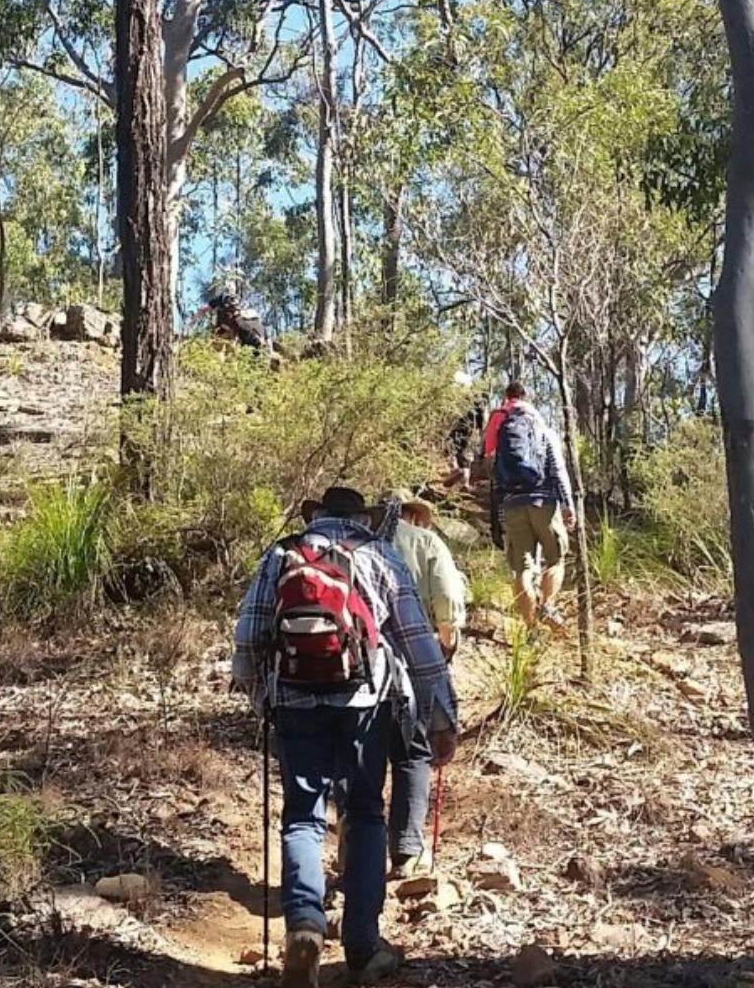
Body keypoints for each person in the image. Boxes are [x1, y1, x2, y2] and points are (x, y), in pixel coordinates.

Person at [234, 485, 458, 988]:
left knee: (301, 818)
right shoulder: (378, 556)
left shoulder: (281, 555)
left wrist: (261, 697)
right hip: (363, 706)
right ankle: (362, 948)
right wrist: (441, 717)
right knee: (363, 814)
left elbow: (248, 637)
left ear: (316, 517)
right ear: (362, 519)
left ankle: (305, 927)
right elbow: (418, 644)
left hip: (293, 701)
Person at [376, 488, 466, 878]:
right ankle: (406, 850)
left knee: (364, 750)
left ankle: (353, 839)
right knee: (413, 752)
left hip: (363, 662)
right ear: (414, 514)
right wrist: (446, 645)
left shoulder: (362, 543)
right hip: (415, 653)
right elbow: (447, 600)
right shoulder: (428, 542)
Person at [488, 382, 575, 632]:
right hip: (544, 502)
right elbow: (557, 470)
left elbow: (494, 472)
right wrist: (568, 505)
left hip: (513, 504)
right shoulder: (543, 430)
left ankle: (530, 628)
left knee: (523, 569)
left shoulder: (504, 431)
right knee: (556, 559)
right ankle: (547, 606)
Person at [197, 280, 271, 351]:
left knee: (241, 325)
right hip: (231, 326)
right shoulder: (222, 300)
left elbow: (204, 309)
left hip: (244, 330)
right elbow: (204, 309)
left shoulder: (234, 303)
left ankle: (259, 342)